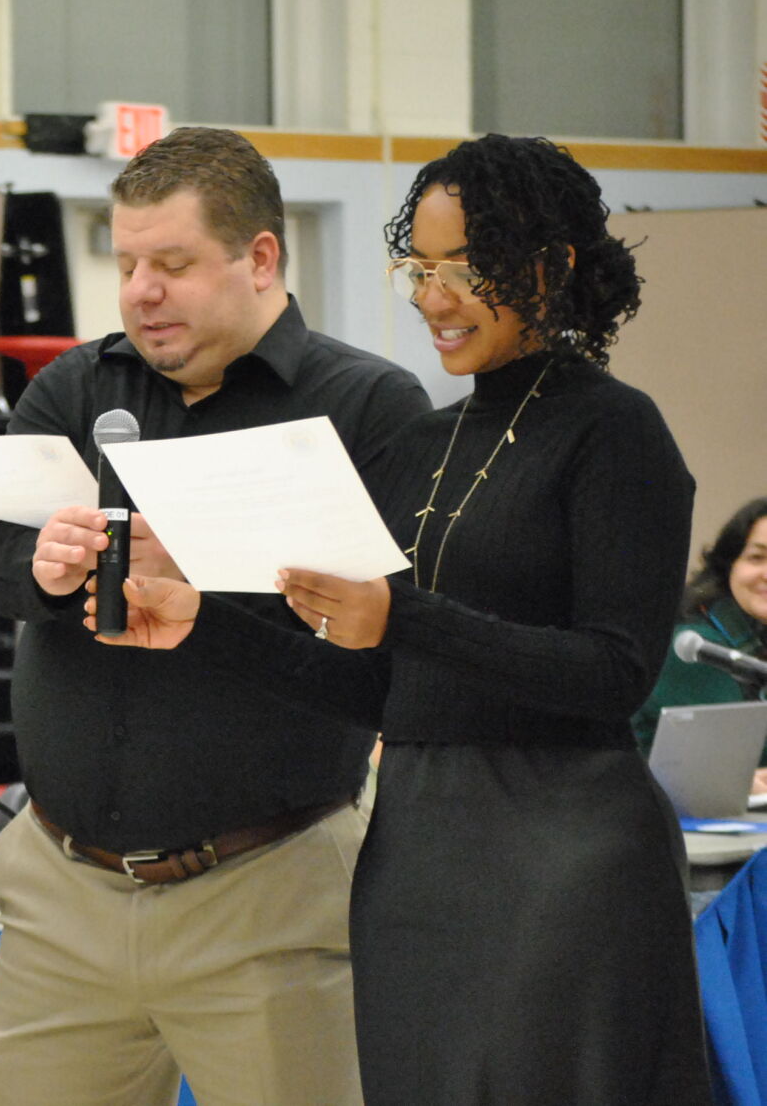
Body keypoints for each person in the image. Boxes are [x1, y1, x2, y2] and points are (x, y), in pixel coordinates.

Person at [97, 134, 712, 1104]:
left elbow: (613, 673)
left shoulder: (613, 428)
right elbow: (371, 684)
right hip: (417, 853)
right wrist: (197, 623)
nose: (431, 298)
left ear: (547, 268)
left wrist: (403, 615)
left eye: (461, 271)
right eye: (416, 269)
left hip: (563, 852)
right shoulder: (424, 440)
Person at [0, 126, 429, 1105]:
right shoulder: (74, 387)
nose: (139, 290)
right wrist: (45, 572)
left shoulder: (364, 411)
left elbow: (395, 652)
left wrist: (219, 607)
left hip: (264, 895)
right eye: (126, 262)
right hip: (60, 894)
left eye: (170, 264)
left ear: (259, 257)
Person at [634, 496, 767, 792]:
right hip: (671, 821)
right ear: (729, 564)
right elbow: (718, 770)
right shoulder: (692, 646)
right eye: (757, 558)